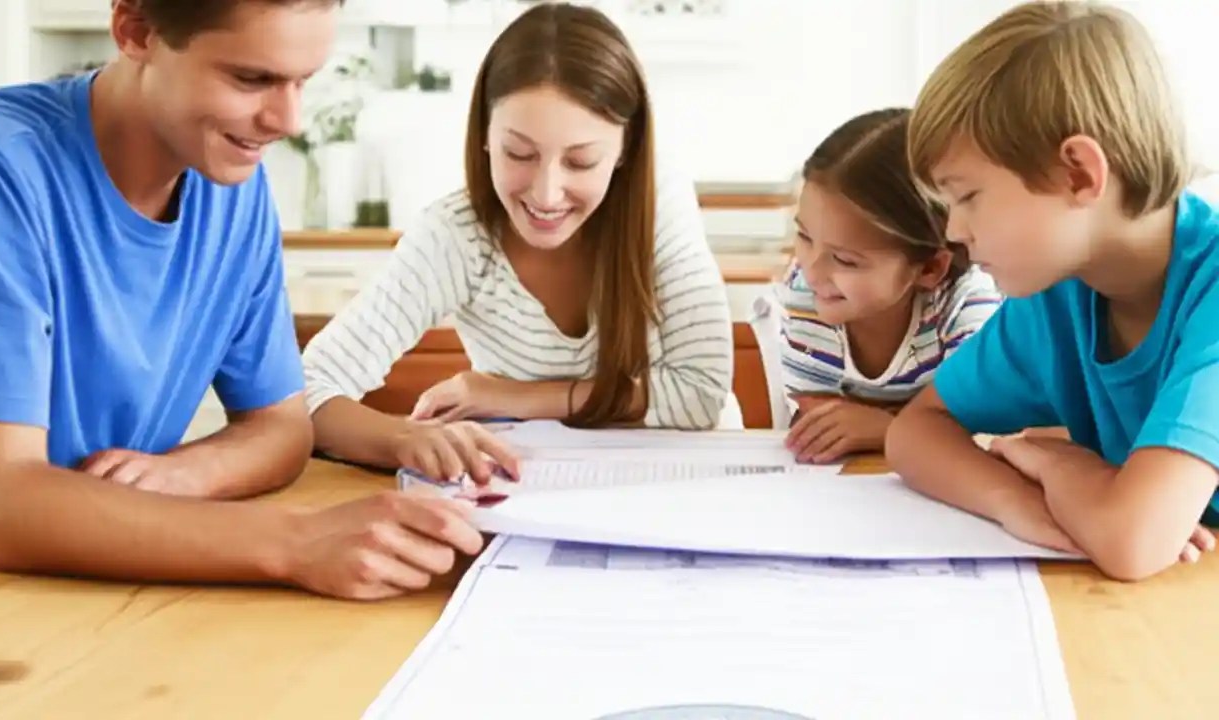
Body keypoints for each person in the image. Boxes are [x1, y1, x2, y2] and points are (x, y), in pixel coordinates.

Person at [0, 0, 481, 601]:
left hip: (87, 589)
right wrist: (297, 542)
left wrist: (182, 474)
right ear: (136, 30)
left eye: (303, 81)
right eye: (252, 79)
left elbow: (281, 429)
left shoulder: (232, 189)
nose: (288, 119)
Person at [302, 2, 736, 485]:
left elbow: (699, 394)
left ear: (624, 150)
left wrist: (512, 395)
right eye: (520, 153)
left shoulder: (658, 204)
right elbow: (308, 387)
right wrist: (403, 438)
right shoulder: (456, 235)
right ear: (485, 135)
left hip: (688, 486)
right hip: (536, 495)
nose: (546, 193)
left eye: (581, 162)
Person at [887, 0, 1219, 581]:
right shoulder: (1059, 291)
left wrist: (1061, 466)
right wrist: (1017, 502)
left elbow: (1132, 542)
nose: (954, 232)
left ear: (1079, 174)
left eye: (967, 197)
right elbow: (915, 432)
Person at [757, 108, 999, 465]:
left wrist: (886, 430)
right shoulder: (804, 295)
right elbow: (819, 419)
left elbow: (984, 431)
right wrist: (914, 429)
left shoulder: (969, 307)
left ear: (930, 267)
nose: (812, 270)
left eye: (846, 260)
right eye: (805, 237)